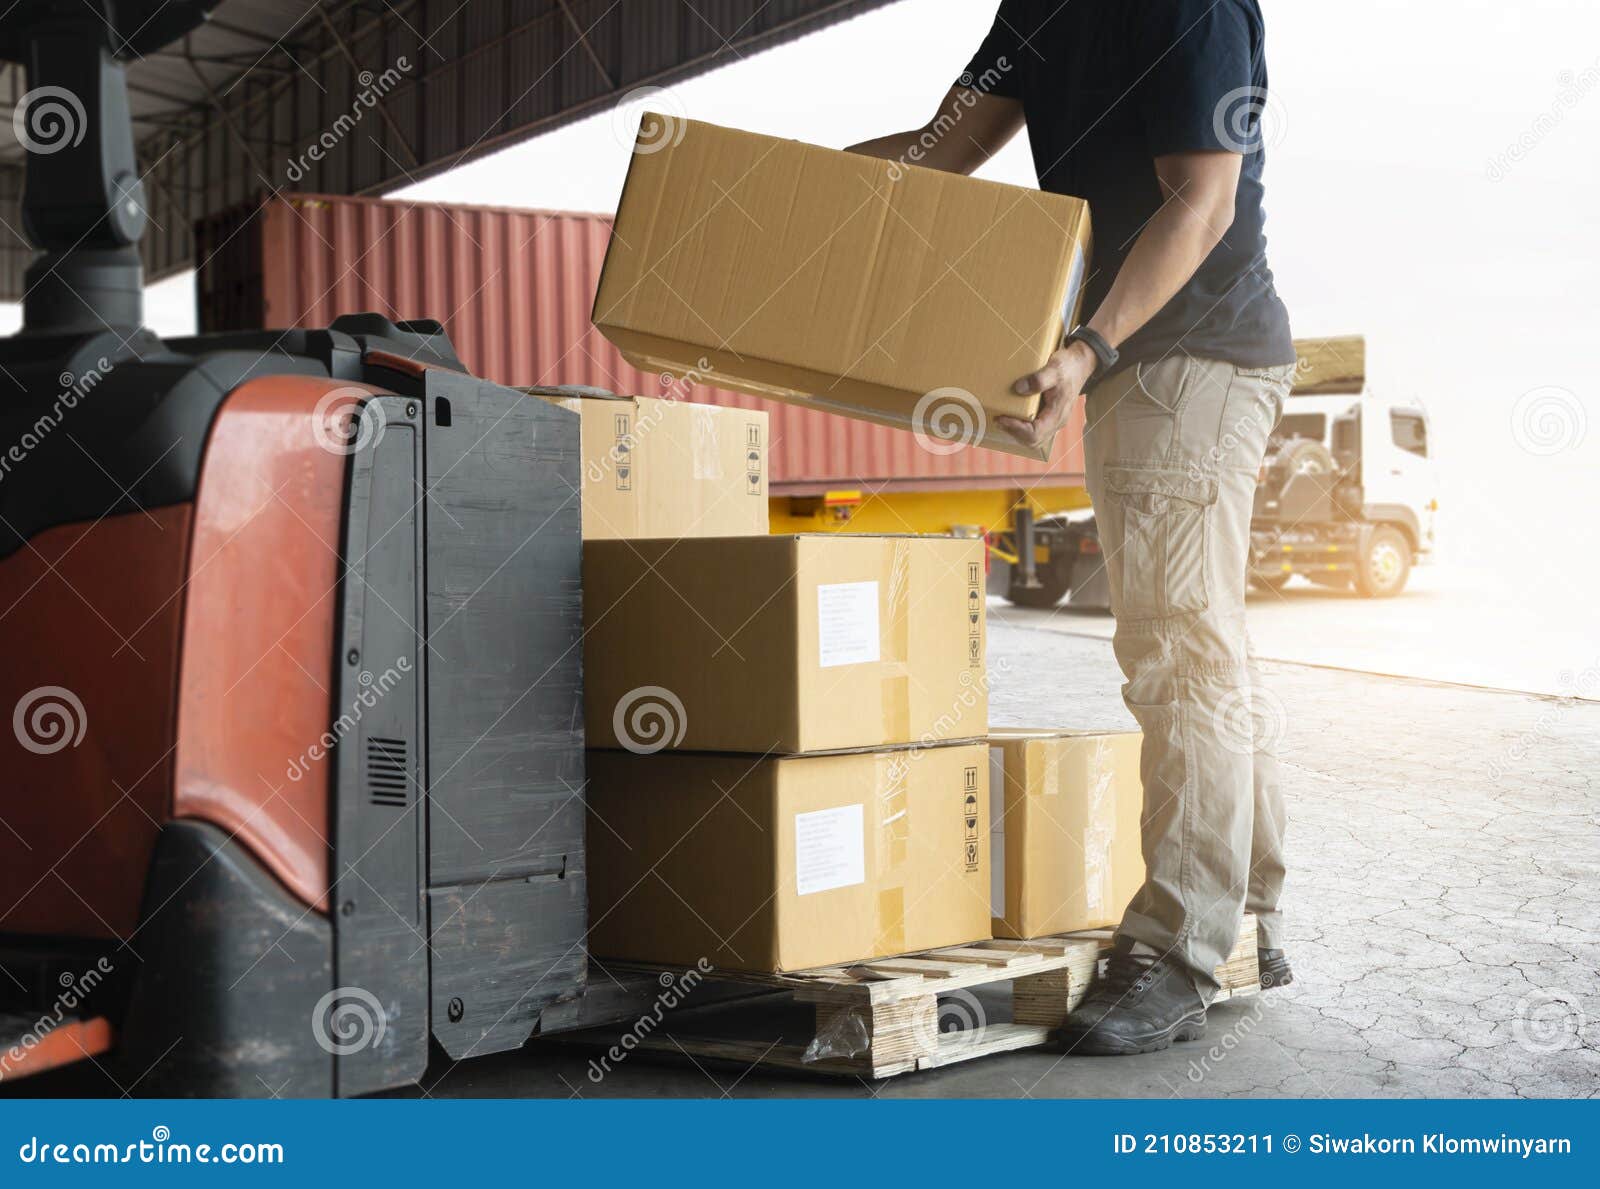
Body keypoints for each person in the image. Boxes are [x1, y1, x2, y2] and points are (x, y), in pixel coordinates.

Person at [848, 0, 1297, 1055]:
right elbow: (938, 149)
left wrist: (1087, 346)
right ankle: (1252, 913)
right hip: (1139, 357)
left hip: (1197, 352)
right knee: (1204, 645)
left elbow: (1202, 202)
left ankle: (1179, 949)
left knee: (1177, 654)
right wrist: (768, 188)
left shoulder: (1192, 6)